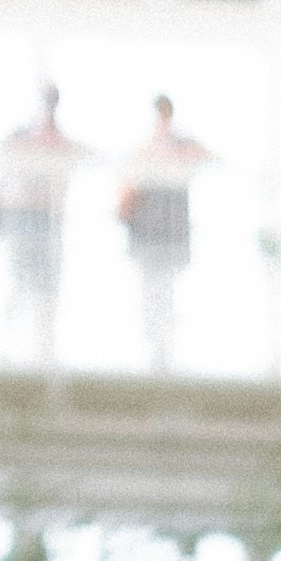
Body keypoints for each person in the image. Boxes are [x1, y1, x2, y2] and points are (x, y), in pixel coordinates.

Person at [0, 84, 88, 365]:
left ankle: (44, 352)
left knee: (47, 292)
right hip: (24, 223)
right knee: (19, 287)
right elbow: (3, 160)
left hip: (49, 224)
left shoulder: (60, 140)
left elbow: (82, 155)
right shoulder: (21, 137)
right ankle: (7, 351)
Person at [115, 96, 212, 373]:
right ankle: (154, 353)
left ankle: (164, 353)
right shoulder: (145, 150)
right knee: (152, 295)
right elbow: (128, 194)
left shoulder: (180, 146)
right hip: (149, 235)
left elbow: (208, 158)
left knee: (165, 295)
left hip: (170, 236)